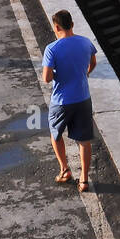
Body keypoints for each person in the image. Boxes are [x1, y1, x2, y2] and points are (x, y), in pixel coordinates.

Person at [41, 10, 96, 192]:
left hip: (61, 101)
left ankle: (65, 170)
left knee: (55, 134)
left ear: (56, 27)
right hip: (83, 98)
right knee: (84, 140)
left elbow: (47, 78)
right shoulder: (85, 42)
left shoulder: (52, 49)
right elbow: (93, 63)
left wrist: (59, 73)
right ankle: (84, 179)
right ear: (72, 24)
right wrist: (84, 72)